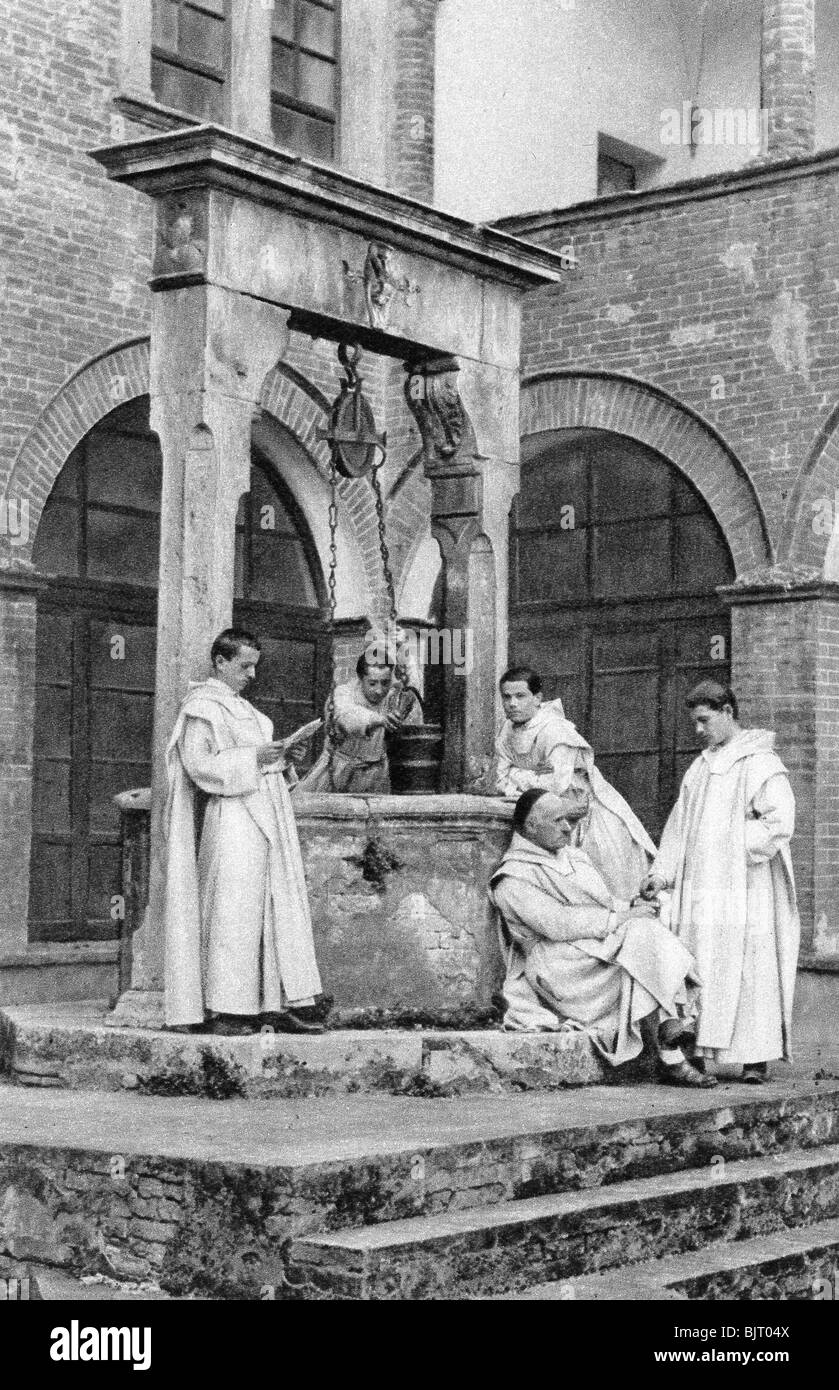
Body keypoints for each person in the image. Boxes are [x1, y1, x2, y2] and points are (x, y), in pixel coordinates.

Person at [162, 627, 325, 1035]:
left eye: (254, 666)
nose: (252, 675)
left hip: (268, 816)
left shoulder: (246, 711)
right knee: (234, 912)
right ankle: (226, 1007)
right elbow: (199, 766)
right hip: (233, 818)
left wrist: (286, 759)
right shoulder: (202, 707)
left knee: (269, 910)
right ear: (220, 662)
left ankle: (269, 1003)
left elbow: (263, 764)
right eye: (244, 666)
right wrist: (256, 757)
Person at [489, 788, 711, 1086]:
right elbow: (557, 923)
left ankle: (672, 1040)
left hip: (592, 948)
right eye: (557, 821)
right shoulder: (512, 878)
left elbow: (602, 903)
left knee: (649, 924)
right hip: (558, 965)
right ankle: (672, 1035)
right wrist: (620, 919)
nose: (568, 828)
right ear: (530, 826)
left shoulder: (573, 857)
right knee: (638, 936)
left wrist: (631, 906)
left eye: (568, 819)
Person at [640, 681, 799, 1084]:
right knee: (702, 963)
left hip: (745, 885)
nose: (698, 730)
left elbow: (780, 822)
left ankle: (755, 1059)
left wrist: (733, 842)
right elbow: (678, 829)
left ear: (727, 711)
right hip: (701, 889)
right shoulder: (698, 768)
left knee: (750, 965)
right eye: (695, 722)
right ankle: (698, 1053)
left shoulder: (761, 763)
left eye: (704, 721)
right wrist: (661, 874)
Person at [495, 666, 655, 899]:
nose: (512, 704)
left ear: (537, 698)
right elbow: (500, 779)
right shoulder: (507, 731)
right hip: (545, 810)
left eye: (520, 696)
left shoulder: (555, 729)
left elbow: (559, 784)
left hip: (582, 811)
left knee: (602, 879)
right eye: (506, 697)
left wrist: (518, 776)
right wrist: (525, 779)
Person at [299, 646, 422, 793]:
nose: (379, 690)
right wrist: (380, 720)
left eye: (385, 682)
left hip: (376, 773)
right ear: (360, 678)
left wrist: (405, 650)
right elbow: (347, 716)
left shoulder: (391, 695)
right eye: (372, 683)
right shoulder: (343, 693)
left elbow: (413, 685)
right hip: (339, 769)